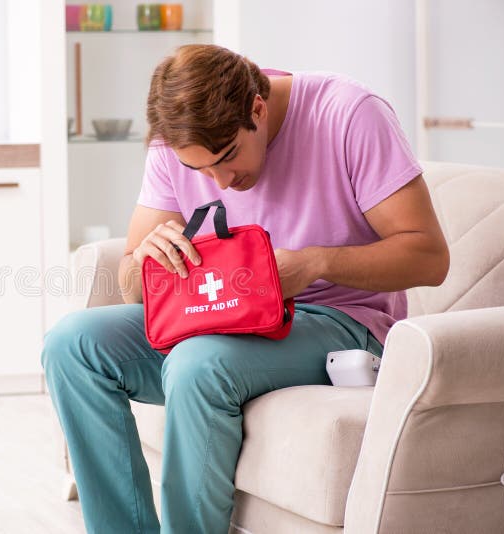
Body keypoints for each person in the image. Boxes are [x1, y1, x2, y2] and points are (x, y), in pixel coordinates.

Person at [41, 44, 449, 534]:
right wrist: (145, 261)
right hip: (219, 313)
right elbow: (132, 285)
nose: (221, 181)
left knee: (197, 362)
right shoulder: (172, 148)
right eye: (200, 171)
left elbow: (430, 256)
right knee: (71, 344)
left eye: (228, 156)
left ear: (258, 106)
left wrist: (315, 262)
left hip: (340, 322)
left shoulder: (348, 115)